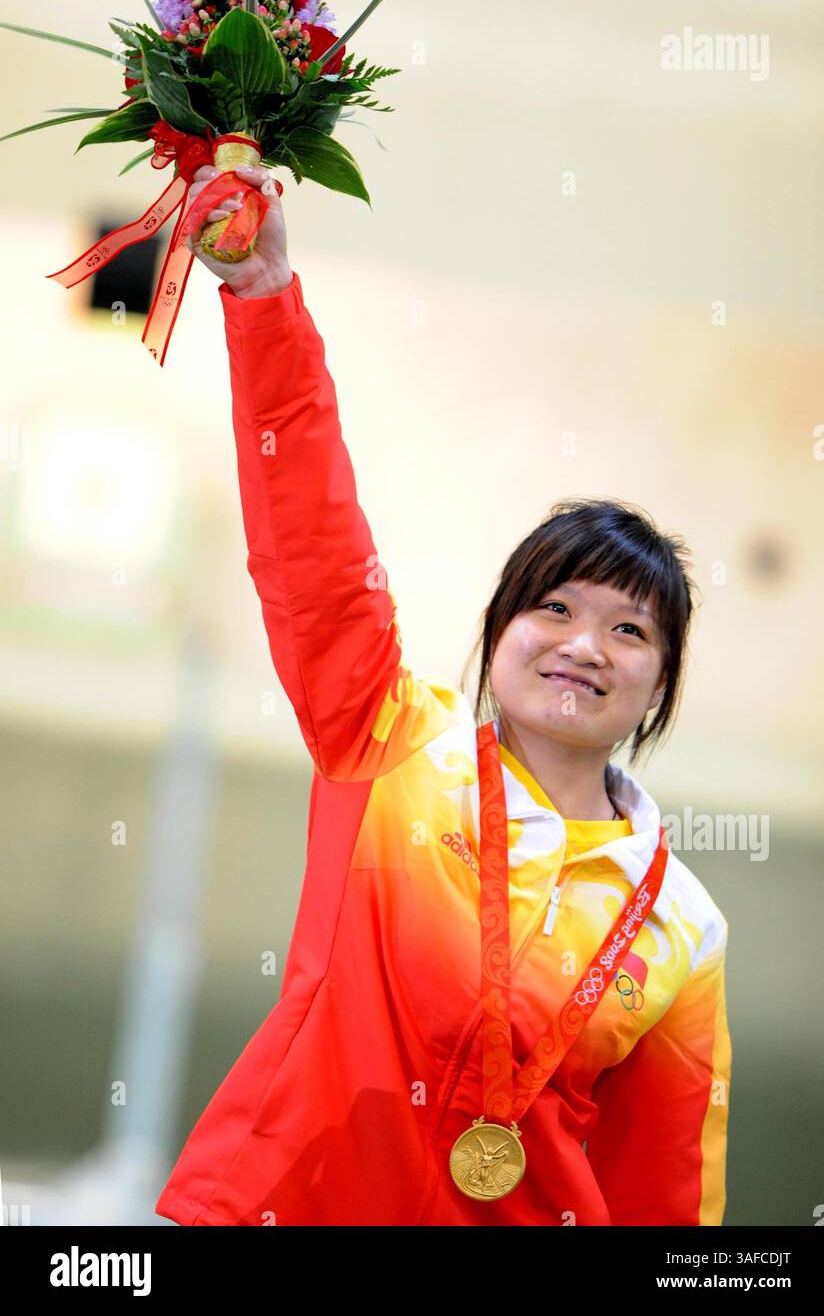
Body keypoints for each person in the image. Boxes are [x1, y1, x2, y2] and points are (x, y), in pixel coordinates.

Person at [154, 164, 732, 1227]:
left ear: (658, 687)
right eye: (552, 608)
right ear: (499, 631)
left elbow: (663, 1192)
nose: (584, 647)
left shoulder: (682, 930)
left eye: (630, 630)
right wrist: (263, 300)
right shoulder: (390, 747)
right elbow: (316, 552)